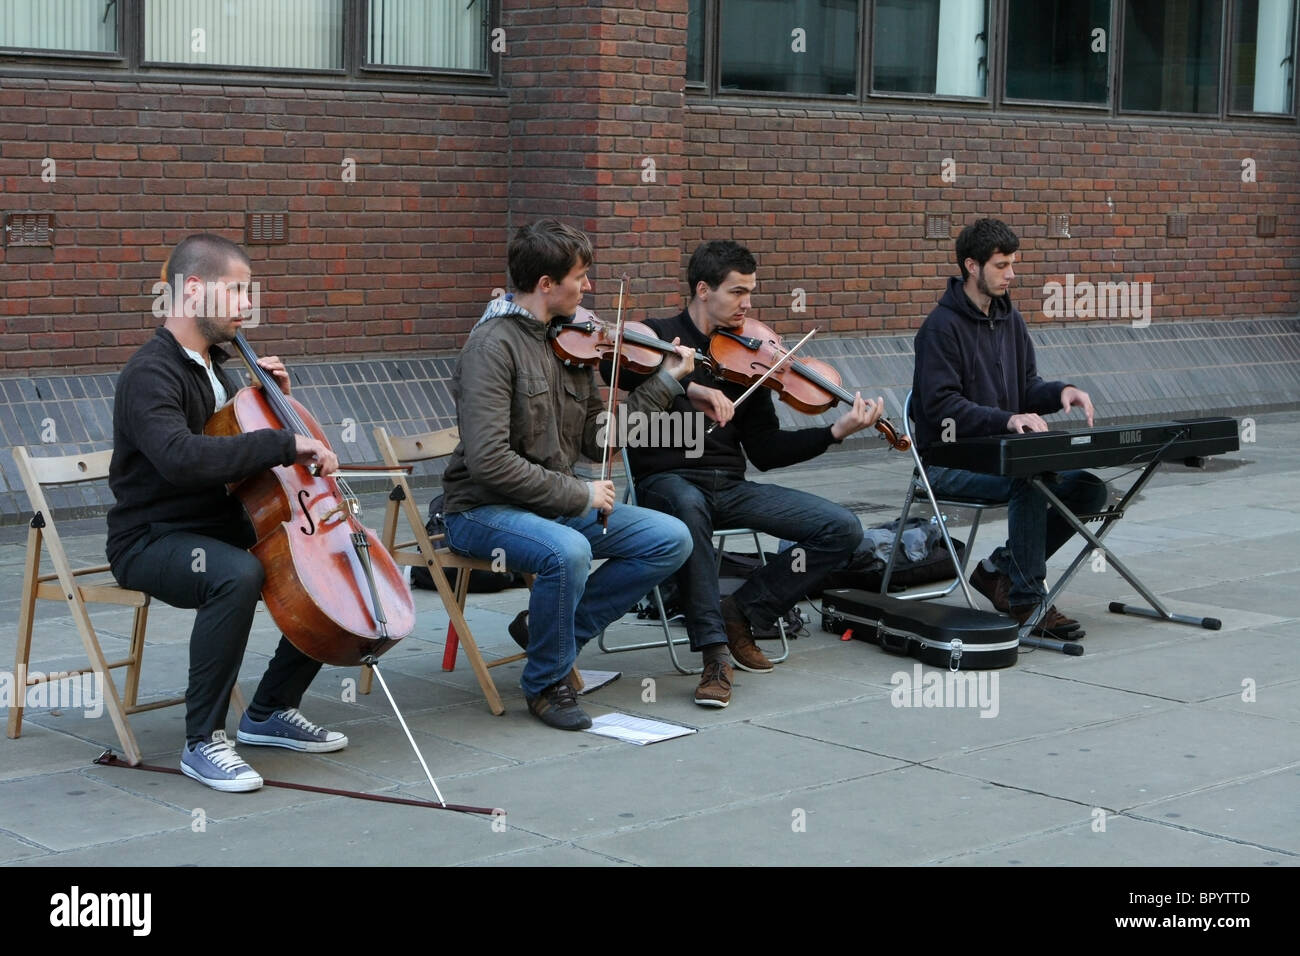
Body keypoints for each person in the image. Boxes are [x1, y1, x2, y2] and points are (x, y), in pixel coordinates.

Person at [107, 234, 349, 793]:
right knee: (237, 574)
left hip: (215, 522)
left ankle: (268, 711)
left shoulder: (221, 366)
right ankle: (203, 742)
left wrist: (274, 407)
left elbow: (236, 448)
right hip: (151, 539)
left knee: (318, 560)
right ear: (194, 291)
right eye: (236, 289)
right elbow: (182, 458)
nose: (247, 304)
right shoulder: (150, 374)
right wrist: (284, 444)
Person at [438, 220, 694, 731]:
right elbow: (489, 461)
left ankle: (550, 633)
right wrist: (576, 492)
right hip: (481, 510)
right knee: (568, 550)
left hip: (548, 506)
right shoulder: (492, 349)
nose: (589, 287)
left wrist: (664, 383)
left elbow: (599, 440)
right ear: (546, 284)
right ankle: (545, 684)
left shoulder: (572, 344)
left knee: (671, 538)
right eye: (581, 276)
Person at [609, 240, 883, 709]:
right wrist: (688, 383)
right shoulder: (658, 338)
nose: (747, 304)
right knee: (688, 507)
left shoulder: (746, 359)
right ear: (703, 290)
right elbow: (613, 361)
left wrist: (835, 431)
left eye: (750, 292)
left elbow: (767, 451)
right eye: (737, 292)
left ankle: (745, 610)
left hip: (729, 487)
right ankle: (715, 653)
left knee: (841, 528)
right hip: (666, 485)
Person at [911, 218, 1109, 638]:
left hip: (1003, 455)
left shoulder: (1009, 318)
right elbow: (940, 406)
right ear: (971, 265)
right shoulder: (939, 329)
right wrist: (1006, 418)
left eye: (1012, 264)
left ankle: (998, 570)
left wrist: (1062, 393)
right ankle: (1025, 600)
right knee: (1030, 481)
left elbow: (1027, 387)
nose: (1011, 274)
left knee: (1089, 489)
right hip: (947, 460)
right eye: (1001, 265)